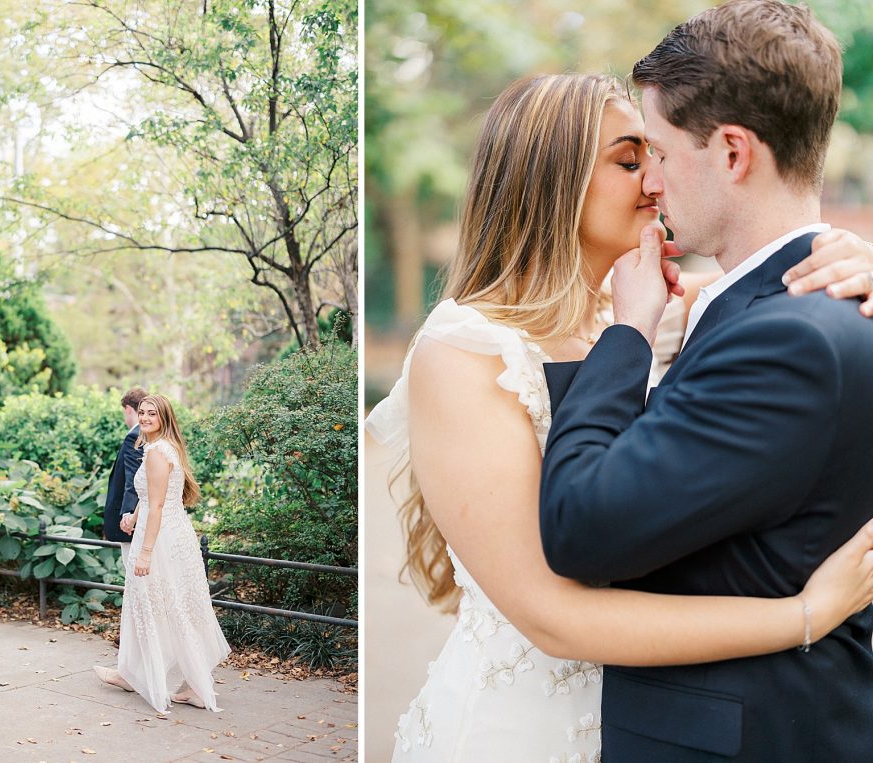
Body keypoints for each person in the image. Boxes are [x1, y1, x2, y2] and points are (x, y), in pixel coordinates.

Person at [366, 68, 873, 762]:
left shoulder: (645, 310)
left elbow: (778, 294)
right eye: (631, 160)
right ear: (552, 182)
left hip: (643, 722)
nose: (655, 182)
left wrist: (856, 264)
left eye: (657, 158)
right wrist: (804, 616)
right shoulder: (461, 350)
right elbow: (554, 615)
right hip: (520, 730)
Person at [537, 2, 873, 759]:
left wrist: (625, 331)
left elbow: (581, 527)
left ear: (731, 152)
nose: (651, 180)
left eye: (655, 150)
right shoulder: (822, 304)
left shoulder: (786, 336)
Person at [95, 393, 230, 712]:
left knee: (156, 607)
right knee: (175, 606)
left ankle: (142, 675)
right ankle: (171, 680)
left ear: (164, 417)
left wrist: (144, 553)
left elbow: (157, 504)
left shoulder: (156, 452)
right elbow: (155, 498)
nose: (144, 417)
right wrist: (132, 516)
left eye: (151, 413)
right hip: (172, 532)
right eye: (141, 412)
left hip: (161, 540)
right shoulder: (165, 448)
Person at [103, 387, 147, 648]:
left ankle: (133, 639)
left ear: (129, 410)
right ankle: (133, 636)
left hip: (130, 523)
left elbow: (132, 482)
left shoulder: (135, 438)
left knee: (134, 581)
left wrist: (127, 515)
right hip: (139, 519)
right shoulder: (150, 437)